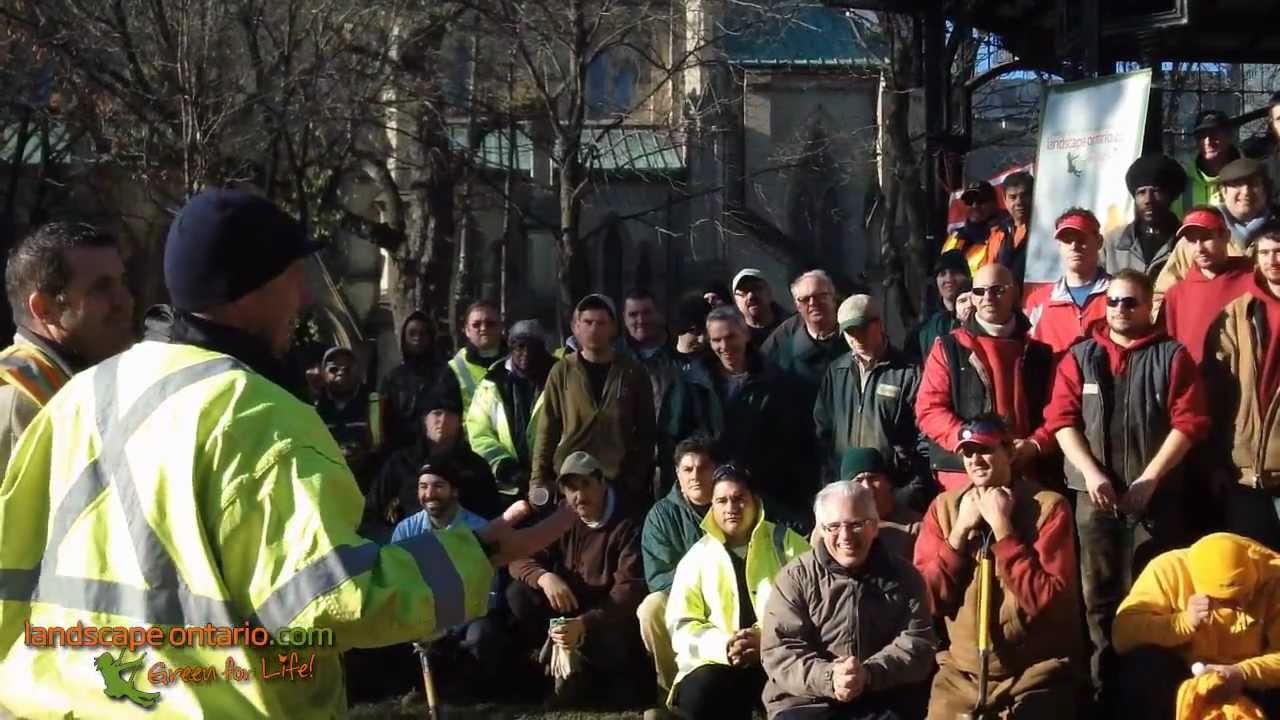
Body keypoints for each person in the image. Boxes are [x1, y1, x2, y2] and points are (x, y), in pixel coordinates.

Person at [0, 189, 570, 717]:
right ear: (254, 290)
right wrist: (481, 549)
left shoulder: (77, 398)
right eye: (295, 276)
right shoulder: (256, 412)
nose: (303, 297)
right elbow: (332, 598)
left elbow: (12, 572)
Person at [1041, 268, 1209, 705]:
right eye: (1113, 301)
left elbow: (1189, 423)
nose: (1119, 309)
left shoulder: (1172, 356)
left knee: (1155, 597)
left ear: (1147, 305)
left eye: (1130, 302)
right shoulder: (1080, 356)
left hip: (1155, 499)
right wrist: (1092, 474)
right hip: (1093, 499)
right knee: (1097, 598)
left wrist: (1150, 478)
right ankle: (1101, 693)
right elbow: (1060, 421)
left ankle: (1151, 695)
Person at [913, 416, 1082, 719]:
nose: (975, 460)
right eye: (967, 453)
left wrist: (1004, 531)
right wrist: (958, 535)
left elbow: (1050, 602)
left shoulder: (1048, 507)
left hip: (1033, 675)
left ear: (1010, 452)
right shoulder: (944, 508)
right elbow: (925, 601)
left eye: (986, 450)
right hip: (960, 677)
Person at [762, 481, 937, 720]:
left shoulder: (905, 577)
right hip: (807, 700)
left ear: (875, 526)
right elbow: (780, 650)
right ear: (820, 529)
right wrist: (830, 677)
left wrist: (868, 674)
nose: (845, 536)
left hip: (884, 695)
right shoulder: (795, 577)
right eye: (833, 526)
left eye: (856, 524)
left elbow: (917, 643)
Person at [664, 463, 810, 720]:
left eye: (739, 498)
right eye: (722, 501)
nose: (731, 508)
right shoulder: (697, 557)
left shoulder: (788, 545)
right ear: (712, 506)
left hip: (780, 656)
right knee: (699, 695)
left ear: (755, 500)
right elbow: (681, 625)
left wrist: (765, 640)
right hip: (719, 661)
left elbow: (813, 609)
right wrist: (725, 646)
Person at [507, 451, 649, 706]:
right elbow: (518, 557)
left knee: (618, 677)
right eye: (571, 488)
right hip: (566, 607)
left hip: (606, 616)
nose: (580, 496)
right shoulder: (562, 515)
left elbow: (628, 591)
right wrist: (544, 577)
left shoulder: (627, 523)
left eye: (586, 485)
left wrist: (582, 624)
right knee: (518, 594)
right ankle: (552, 670)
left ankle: (587, 676)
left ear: (602, 484)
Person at [0, 221, 134, 471]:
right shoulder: (15, 404)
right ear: (44, 309)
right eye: (101, 288)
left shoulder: (89, 379)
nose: (124, 301)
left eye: (122, 282)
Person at [916, 263, 1056, 492]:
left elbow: (1058, 414)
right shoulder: (948, 348)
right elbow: (929, 409)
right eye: (980, 291)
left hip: (1028, 474)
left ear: (1015, 293)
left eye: (998, 289)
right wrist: (971, 442)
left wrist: (1035, 444)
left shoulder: (1040, 353)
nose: (988, 297)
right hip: (963, 476)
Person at [1112, 533, 1280, 720]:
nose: (1242, 604)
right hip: (1181, 678)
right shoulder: (1168, 571)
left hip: (1250, 681)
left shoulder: (1273, 577)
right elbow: (1123, 635)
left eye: (1248, 593)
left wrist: (1242, 674)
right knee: (1142, 664)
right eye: (1229, 601)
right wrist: (1182, 623)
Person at [685, 306, 814, 522]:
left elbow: (792, 442)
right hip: (708, 492)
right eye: (717, 340)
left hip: (765, 494)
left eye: (731, 337)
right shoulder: (693, 382)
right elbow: (679, 437)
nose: (724, 346)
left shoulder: (776, 382)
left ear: (745, 334)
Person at [531, 294, 656, 506]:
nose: (594, 329)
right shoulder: (562, 371)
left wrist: (635, 479)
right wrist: (538, 479)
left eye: (601, 323)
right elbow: (547, 429)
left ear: (613, 328)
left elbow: (646, 431)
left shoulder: (632, 371)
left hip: (617, 483)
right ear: (575, 326)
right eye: (587, 323)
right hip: (570, 481)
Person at [813, 294, 930, 510]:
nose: (856, 337)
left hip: (894, 493)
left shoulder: (909, 373)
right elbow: (823, 430)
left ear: (879, 324)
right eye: (849, 332)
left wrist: (910, 490)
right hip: (846, 495)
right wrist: (830, 483)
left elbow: (926, 438)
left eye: (861, 328)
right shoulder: (836, 371)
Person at [1205, 222, 1280, 550]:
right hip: (1243, 473)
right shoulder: (1236, 314)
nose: (1272, 260)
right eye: (1264, 252)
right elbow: (1216, 396)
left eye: (1279, 252)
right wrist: (1217, 462)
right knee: (1249, 578)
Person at [368, 369, 501, 541]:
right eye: (436, 413)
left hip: (465, 552)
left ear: (460, 420)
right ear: (424, 419)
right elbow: (370, 514)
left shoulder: (476, 467)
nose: (443, 420)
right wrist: (393, 544)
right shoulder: (400, 463)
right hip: (409, 552)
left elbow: (493, 519)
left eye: (450, 414)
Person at [639, 436, 716, 703]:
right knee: (650, 608)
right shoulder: (661, 515)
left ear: (715, 470)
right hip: (684, 601)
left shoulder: (733, 503)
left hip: (734, 598)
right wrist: (702, 594)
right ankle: (669, 691)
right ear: (677, 473)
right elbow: (659, 578)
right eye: (687, 469)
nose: (695, 476)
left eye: (703, 468)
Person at [1157, 158, 1278, 301]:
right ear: (1223, 191)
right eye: (1237, 184)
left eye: (1253, 184)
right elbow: (1162, 294)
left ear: (1266, 190)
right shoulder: (1194, 238)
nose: (1246, 192)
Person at [465, 319, 554, 498]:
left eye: (533, 347)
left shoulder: (559, 377)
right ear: (510, 347)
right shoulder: (491, 383)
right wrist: (504, 466)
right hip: (507, 486)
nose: (526, 353)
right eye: (520, 346)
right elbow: (479, 433)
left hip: (552, 482)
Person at [1159, 206, 1255, 365]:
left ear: (1226, 236)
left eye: (1206, 238)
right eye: (1191, 240)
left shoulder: (1254, 280)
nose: (1199, 248)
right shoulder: (1176, 295)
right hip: (1196, 385)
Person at [1024, 208, 1112, 354]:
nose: (1074, 246)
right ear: (1059, 246)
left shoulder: (1119, 295)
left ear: (1099, 241)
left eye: (1081, 239)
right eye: (1067, 240)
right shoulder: (1037, 301)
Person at [761, 270, 846, 412]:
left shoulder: (856, 342)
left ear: (833, 298)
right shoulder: (782, 354)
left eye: (821, 296)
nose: (813, 303)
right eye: (805, 299)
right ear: (797, 306)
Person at [1104, 154, 1187, 280]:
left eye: (1156, 191)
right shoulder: (1113, 243)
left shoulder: (1187, 241)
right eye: (1141, 192)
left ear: (1171, 196)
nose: (1148, 200)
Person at [314, 346, 384, 494]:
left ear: (358, 372)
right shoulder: (313, 408)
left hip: (368, 484)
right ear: (323, 374)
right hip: (329, 486)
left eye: (347, 369)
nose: (340, 373)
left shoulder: (375, 403)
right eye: (333, 369)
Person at [379, 310, 448, 450]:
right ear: (404, 338)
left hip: (436, 449)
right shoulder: (393, 378)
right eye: (412, 334)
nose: (417, 338)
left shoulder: (445, 374)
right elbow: (384, 419)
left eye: (423, 333)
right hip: (400, 451)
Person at [840, 448, 921, 559]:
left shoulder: (915, 526)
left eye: (873, 478)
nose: (867, 487)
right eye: (858, 480)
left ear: (888, 482)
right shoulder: (834, 527)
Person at [908, 249, 973, 363]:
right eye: (942, 274)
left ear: (967, 278)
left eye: (954, 272)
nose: (948, 279)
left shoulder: (980, 320)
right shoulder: (923, 330)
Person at [941, 180, 1014, 276]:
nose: (975, 206)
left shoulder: (1008, 233)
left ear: (994, 203)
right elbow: (942, 274)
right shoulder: (955, 236)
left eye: (981, 201)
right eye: (969, 201)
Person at [449, 300, 506, 415]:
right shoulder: (452, 370)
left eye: (490, 323)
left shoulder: (517, 363)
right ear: (467, 330)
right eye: (476, 325)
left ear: (501, 327)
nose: (483, 328)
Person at [1184, 110, 1241, 208]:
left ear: (1229, 137)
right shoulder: (1182, 181)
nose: (1208, 141)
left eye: (1214, 134)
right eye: (1202, 136)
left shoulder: (1249, 178)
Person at [732, 268, 788, 348]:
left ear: (768, 292)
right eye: (744, 291)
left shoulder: (792, 327)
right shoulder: (732, 337)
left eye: (756, 288)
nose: (751, 296)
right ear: (736, 300)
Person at [997, 171, 1034, 287]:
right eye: (1013, 197)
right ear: (1004, 200)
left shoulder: (1046, 230)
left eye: (1025, 195)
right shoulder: (998, 233)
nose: (1019, 202)